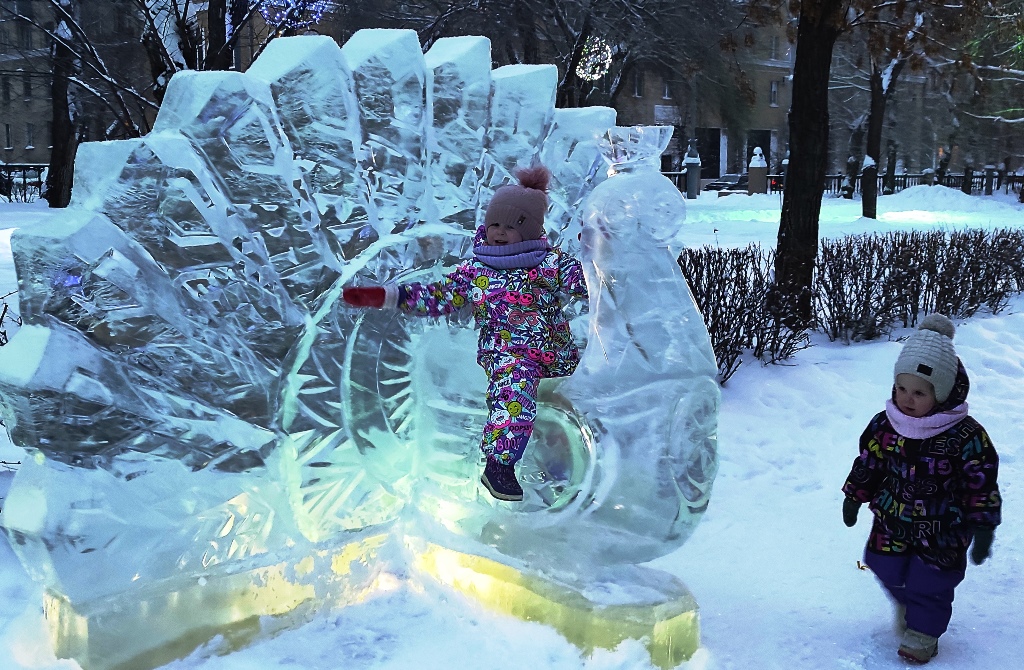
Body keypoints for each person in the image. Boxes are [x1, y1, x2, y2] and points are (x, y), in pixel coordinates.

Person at [342, 165, 589, 502]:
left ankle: (567, 466)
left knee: (569, 408)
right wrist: (387, 296)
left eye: (511, 226)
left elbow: (589, 286)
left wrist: (598, 253)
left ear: (530, 230)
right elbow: (440, 297)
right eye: (494, 225)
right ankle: (498, 466)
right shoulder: (476, 272)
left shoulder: (550, 264)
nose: (500, 233)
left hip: (557, 355)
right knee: (514, 397)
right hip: (507, 354)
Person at [842, 313, 1001, 663]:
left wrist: (984, 524)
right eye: (901, 388)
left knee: (932, 583)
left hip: (944, 527)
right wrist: (855, 494)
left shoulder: (965, 436)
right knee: (880, 562)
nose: (906, 399)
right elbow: (870, 462)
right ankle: (909, 601)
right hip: (891, 518)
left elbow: (981, 481)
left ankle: (923, 633)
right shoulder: (886, 424)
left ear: (941, 394)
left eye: (918, 392)